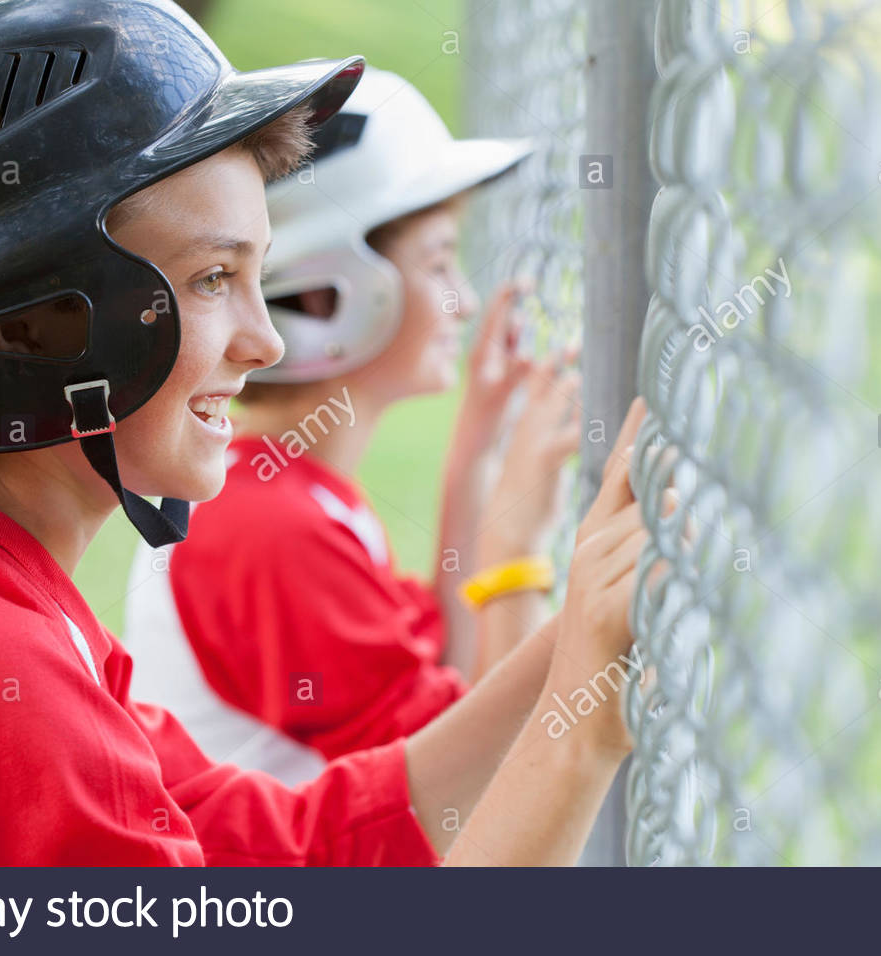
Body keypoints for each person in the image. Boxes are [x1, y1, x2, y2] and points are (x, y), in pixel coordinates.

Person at [0, 0, 660, 867]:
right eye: (211, 279)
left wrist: (573, 640)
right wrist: (582, 731)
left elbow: (313, 844)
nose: (267, 340)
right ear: (33, 328)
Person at [124, 68, 582, 783]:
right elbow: (478, 791)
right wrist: (515, 548)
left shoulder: (290, 494)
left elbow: (448, 683)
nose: (463, 301)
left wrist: (474, 458)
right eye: (438, 264)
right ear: (325, 290)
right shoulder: (269, 529)